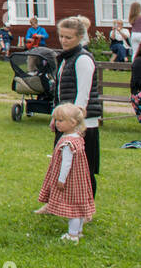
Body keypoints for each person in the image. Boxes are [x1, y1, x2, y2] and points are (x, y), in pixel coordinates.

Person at [55, 16, 101, 196]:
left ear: (80, 37)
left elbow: (83, 96)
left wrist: (76, 125)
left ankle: (87, 206)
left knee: (84, 168)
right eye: (61, 36)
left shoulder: (82, 60)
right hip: (66, 122)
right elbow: (60, 91)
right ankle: (58, 203)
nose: (64, 41)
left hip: (83, 124)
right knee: (61, 165)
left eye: (68, 37)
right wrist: (56, 118)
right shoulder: (66, 59)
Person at [35, 104, 96, 243]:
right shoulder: (78, 137)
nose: (57, 123)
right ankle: (78, 231)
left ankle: (72, 234)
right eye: (56, 120)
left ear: (73, 123)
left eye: (61, 120)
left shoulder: (68, 143)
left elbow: (66, 164)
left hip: (70, 180)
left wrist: (61, 180)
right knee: (79, 206)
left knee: (73, 208)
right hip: (79, 179)